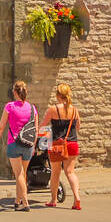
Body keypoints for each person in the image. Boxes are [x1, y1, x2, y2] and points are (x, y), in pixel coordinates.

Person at [0, 80, 37, 211]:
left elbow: (1, 127)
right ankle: (17, 201)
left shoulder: (10, 106)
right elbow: (35, 128)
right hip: (28, 145)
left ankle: (25, 203)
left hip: (14, 144)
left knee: (18, 174)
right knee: (22, 173)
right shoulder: (32, 108)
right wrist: (33, 146)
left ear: (15, 92)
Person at [41, 82, 81, 210]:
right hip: (73, 143)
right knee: (70, 172)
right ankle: (77, 198)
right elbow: (78, 127)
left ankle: (53, 200)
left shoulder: (54, 109)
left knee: (55, 173)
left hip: (57, 145)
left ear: (58, 95)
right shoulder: (74, 110)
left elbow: (43, 126)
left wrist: (40, 134)